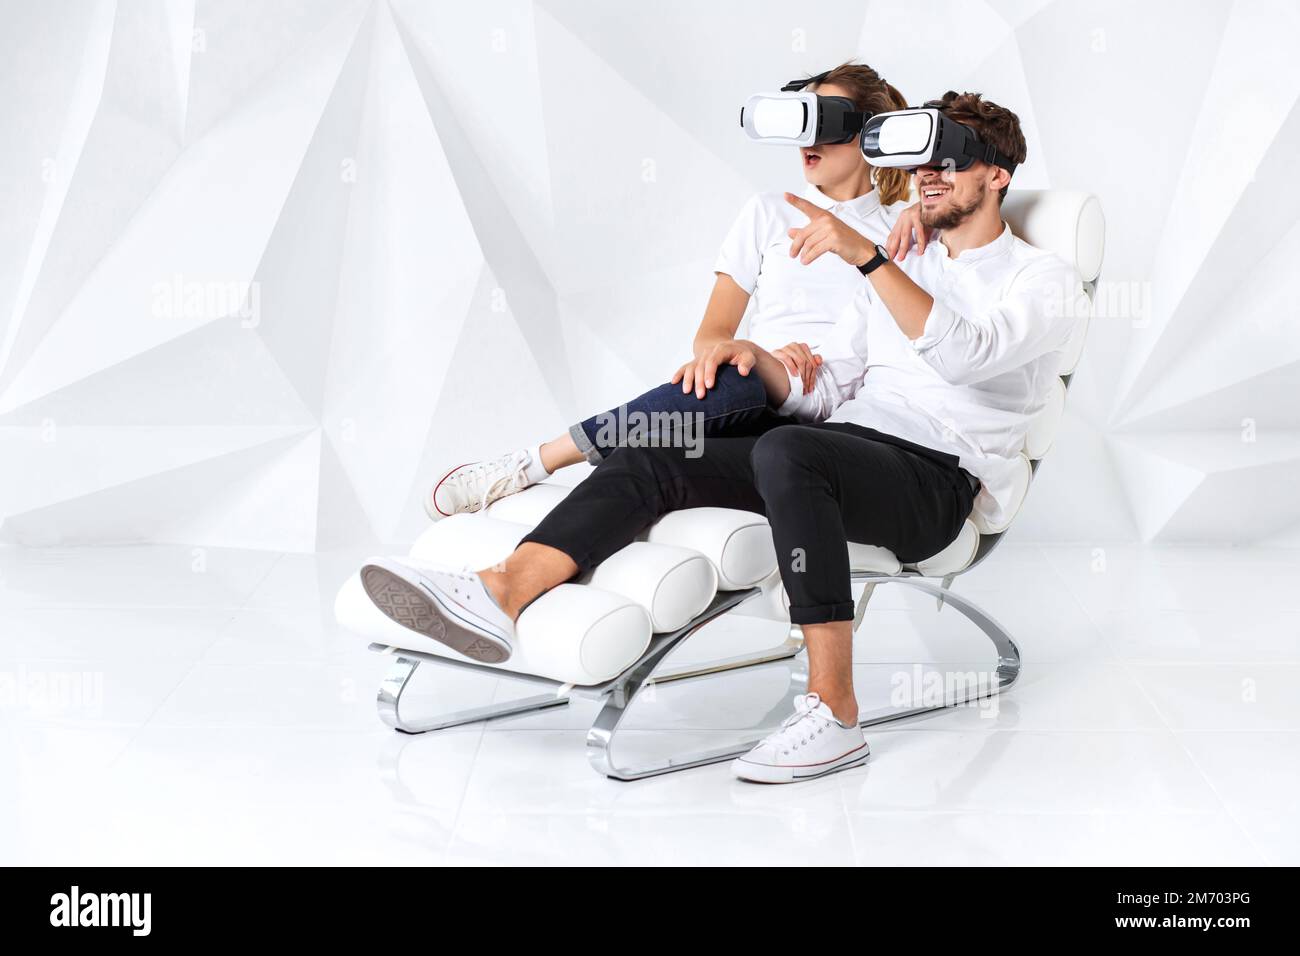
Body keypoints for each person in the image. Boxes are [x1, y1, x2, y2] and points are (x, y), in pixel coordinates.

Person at [362, 90, 1088, 784]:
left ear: (997, 176)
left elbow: (966, 354)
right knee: (660, 450)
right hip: (845, 449)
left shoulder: (1041, 279)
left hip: (935, 483)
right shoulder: (910, 259)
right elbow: (834, 387)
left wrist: (870, 260)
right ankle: (501, 590)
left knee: (789, 450)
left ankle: (836, 712)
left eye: (949, 162)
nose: (929, 179)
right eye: (921, 163)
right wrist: (764, 364)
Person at [423, 63, 912, 519]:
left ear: (867, 132)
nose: (808, 141)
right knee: (726, 387)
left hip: (837, 421)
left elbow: (907, 346)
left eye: (823, 122)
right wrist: (755, 356)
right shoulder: (768, 213)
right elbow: (711, 336)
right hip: (751, 396)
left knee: (724, 396)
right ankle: (535, 476)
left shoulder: (902, 235)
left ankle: (537, 462)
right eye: (800, 122)